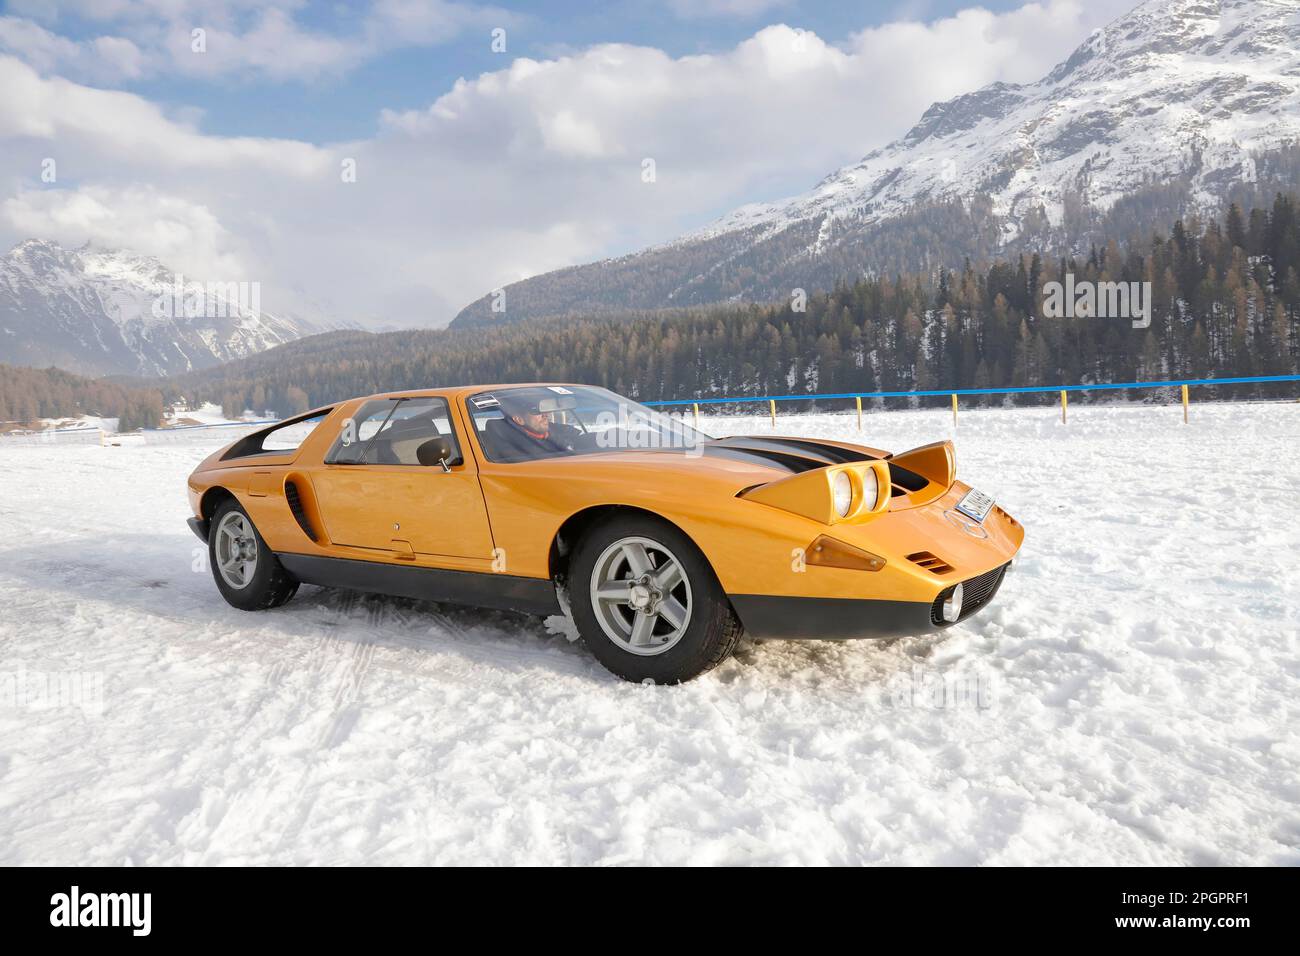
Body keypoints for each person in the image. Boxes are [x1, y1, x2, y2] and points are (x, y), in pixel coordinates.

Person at [494, 391, 586, 459]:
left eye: (544, 410)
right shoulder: (513, 449)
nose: (545, 415)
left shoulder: (564, 432)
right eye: (536, 411)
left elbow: (585, 440)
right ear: (519, 419)